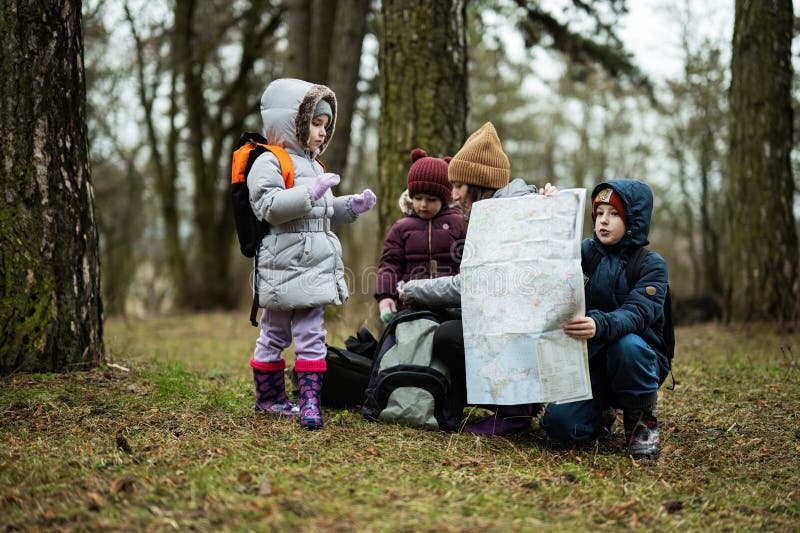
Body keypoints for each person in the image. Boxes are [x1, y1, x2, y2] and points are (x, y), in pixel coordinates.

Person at [399, 122, 557, 436]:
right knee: (448, 322)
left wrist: (411, 290)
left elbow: (469, 287)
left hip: (523, 331)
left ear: (479, 183)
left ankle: (513, 412)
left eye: (459, 186)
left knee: (448, 337)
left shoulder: (505, 218)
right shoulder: (498, 210)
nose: (454, 195)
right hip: (510, 322)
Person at [247, 78, 376, 430]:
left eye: (325, 125)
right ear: (294, 122)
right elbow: (268, 206)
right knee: (274, 333)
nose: (322, 132)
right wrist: (311, 193)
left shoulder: (315, 165)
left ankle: (310, 403)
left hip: (314, 265)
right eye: (315, 123)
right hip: (280, 263)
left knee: (312, 334)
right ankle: (269, 399)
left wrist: (351, 206)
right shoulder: (268, 160)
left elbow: (322, 213)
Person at [539, 179, 670, 459]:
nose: (604, 221)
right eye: (599, 213)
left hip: (638, 362)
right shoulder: (584, 253)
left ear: (633, 220)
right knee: (559, 427)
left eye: (614, 214)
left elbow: (637, 313)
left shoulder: (651, 265)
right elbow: (549, 257)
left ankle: (642, 427)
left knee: (627, 344)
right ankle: (600, 415)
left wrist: (599, 324)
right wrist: (550, 210)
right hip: (591, 362)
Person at [374, 149, 467, 323]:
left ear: (444, 199)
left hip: (451, 308)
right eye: (418, 198)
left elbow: (468, 264)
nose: (423, 205)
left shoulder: (459, 224)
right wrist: (385, 297)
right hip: (410, 307)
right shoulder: (401, 228)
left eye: (431, 199)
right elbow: (389, 264)